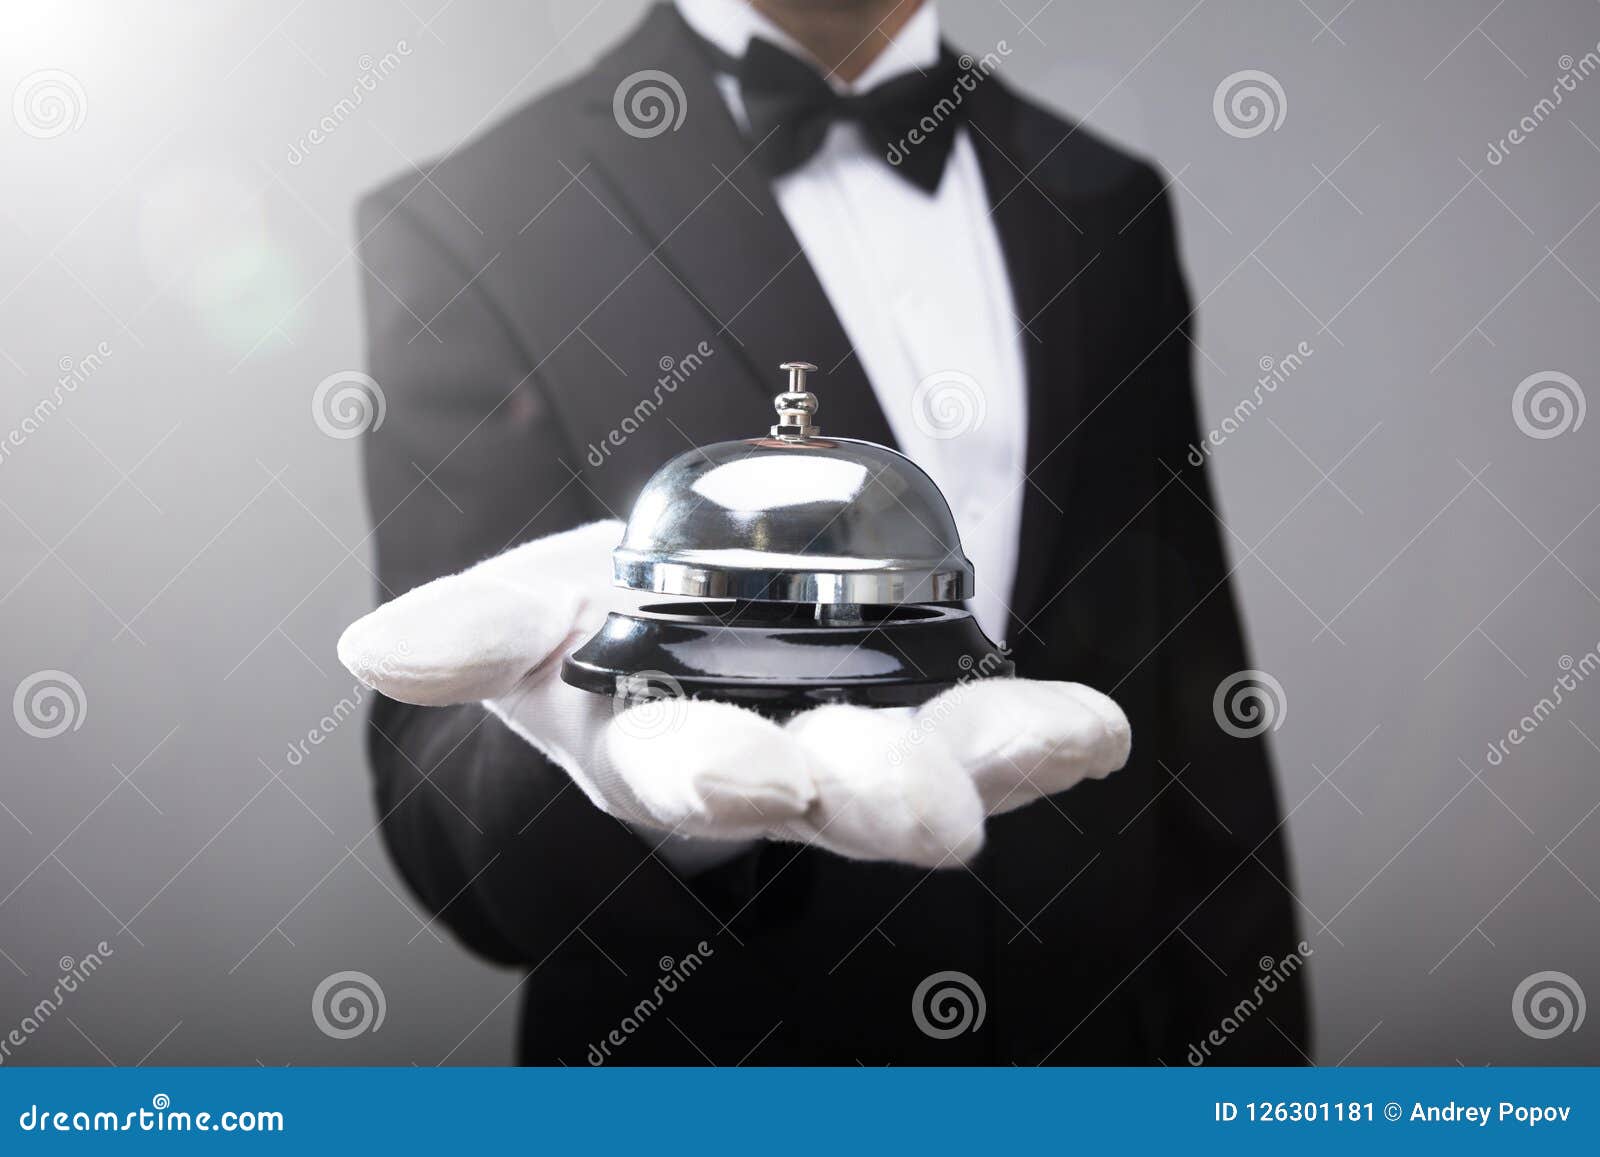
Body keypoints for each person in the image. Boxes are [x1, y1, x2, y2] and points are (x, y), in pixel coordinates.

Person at [338, 0, 1309, 1064]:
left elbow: (1195, 707)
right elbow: (443, 803)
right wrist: (613, 777)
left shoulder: (1103, 199)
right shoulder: (476, 216)